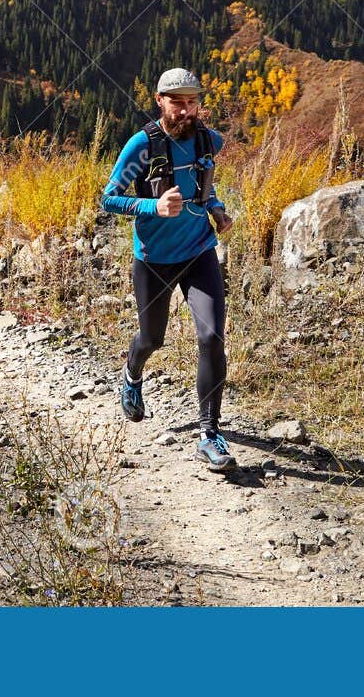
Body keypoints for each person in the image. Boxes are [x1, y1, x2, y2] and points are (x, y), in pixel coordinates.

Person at [99, 68, 237, 471]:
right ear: (159, 101)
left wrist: (216, 210)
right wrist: (152, 206)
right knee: (152, 338)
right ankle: (132, 372)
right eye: (177, 103)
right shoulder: (142, 146)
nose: (186, 111)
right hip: (154, 259)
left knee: (211, 337)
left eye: (192, 102)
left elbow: (204, 185)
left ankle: (210, 435)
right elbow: (109, 198)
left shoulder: (208, 140)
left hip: (199, 252)